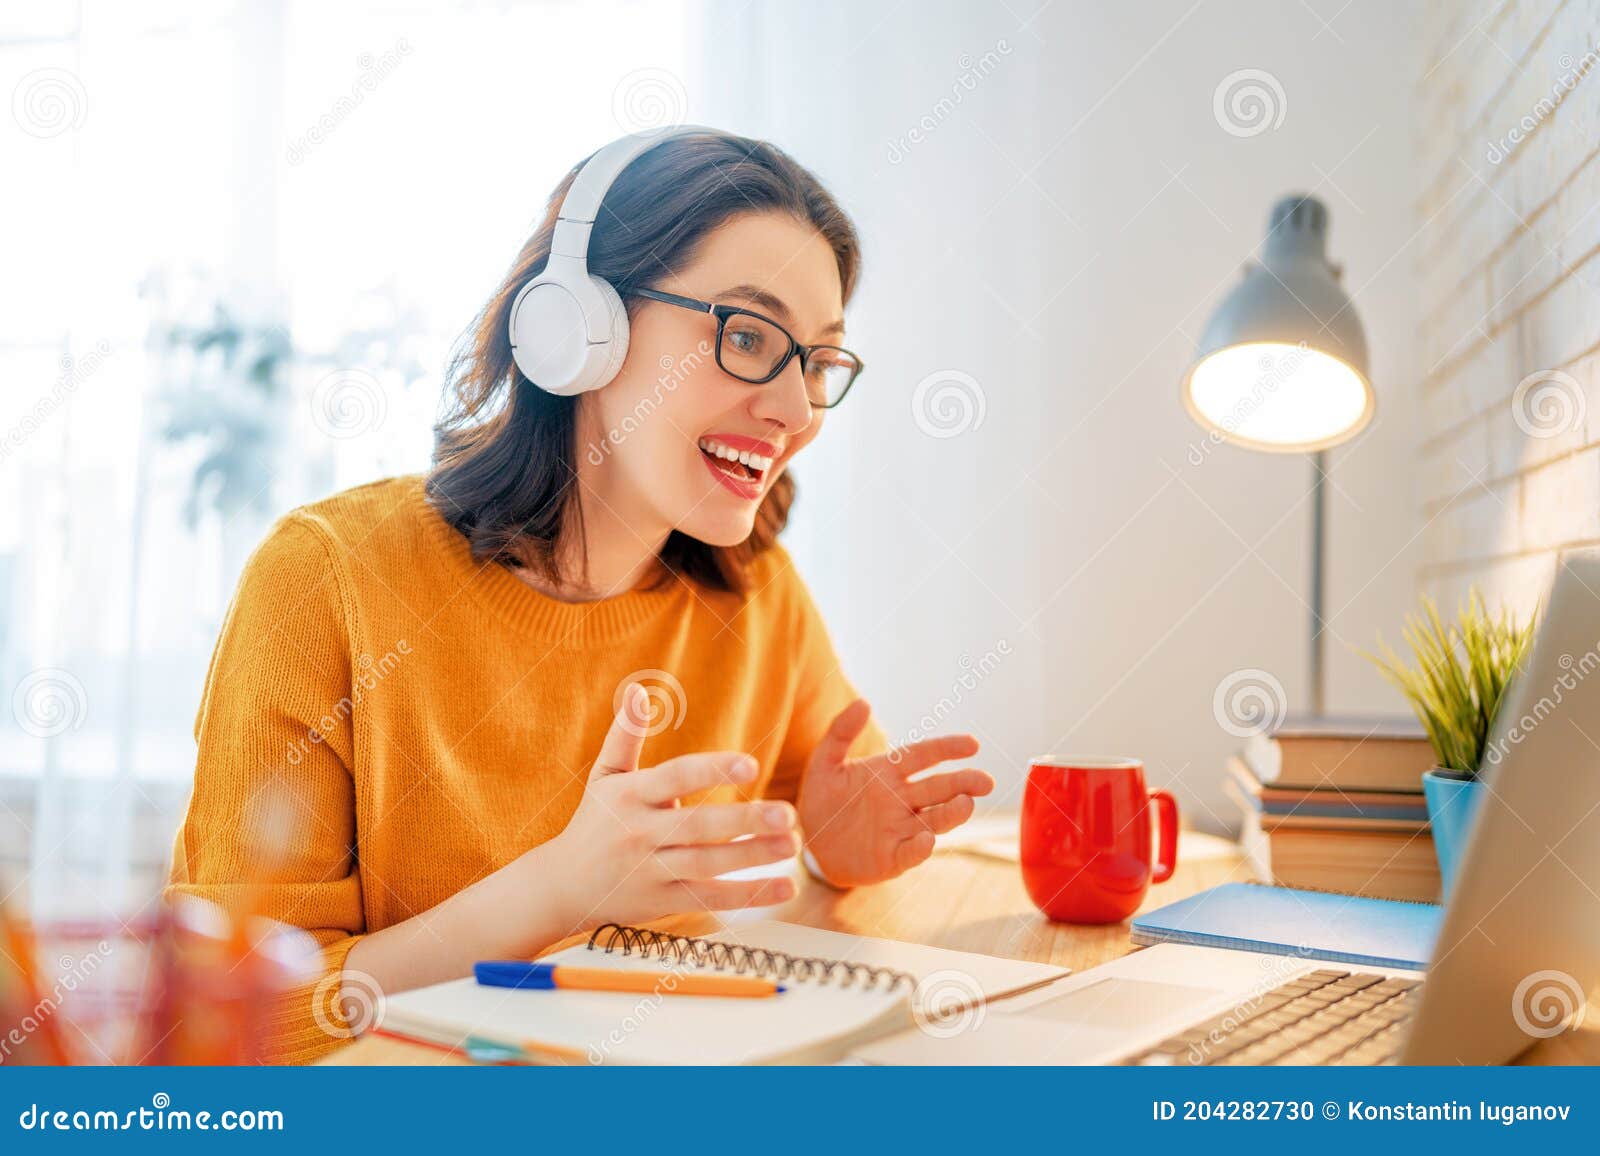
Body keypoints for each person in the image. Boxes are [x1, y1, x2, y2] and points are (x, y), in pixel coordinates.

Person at [164, 128, 993, 1063]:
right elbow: (227, 1025)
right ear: (578, 329)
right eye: (747, 336)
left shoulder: (758, 597)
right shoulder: (327, 579)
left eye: (818, 362)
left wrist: (836, 845)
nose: (797, 410)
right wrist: (558, 889)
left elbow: (829, 817)